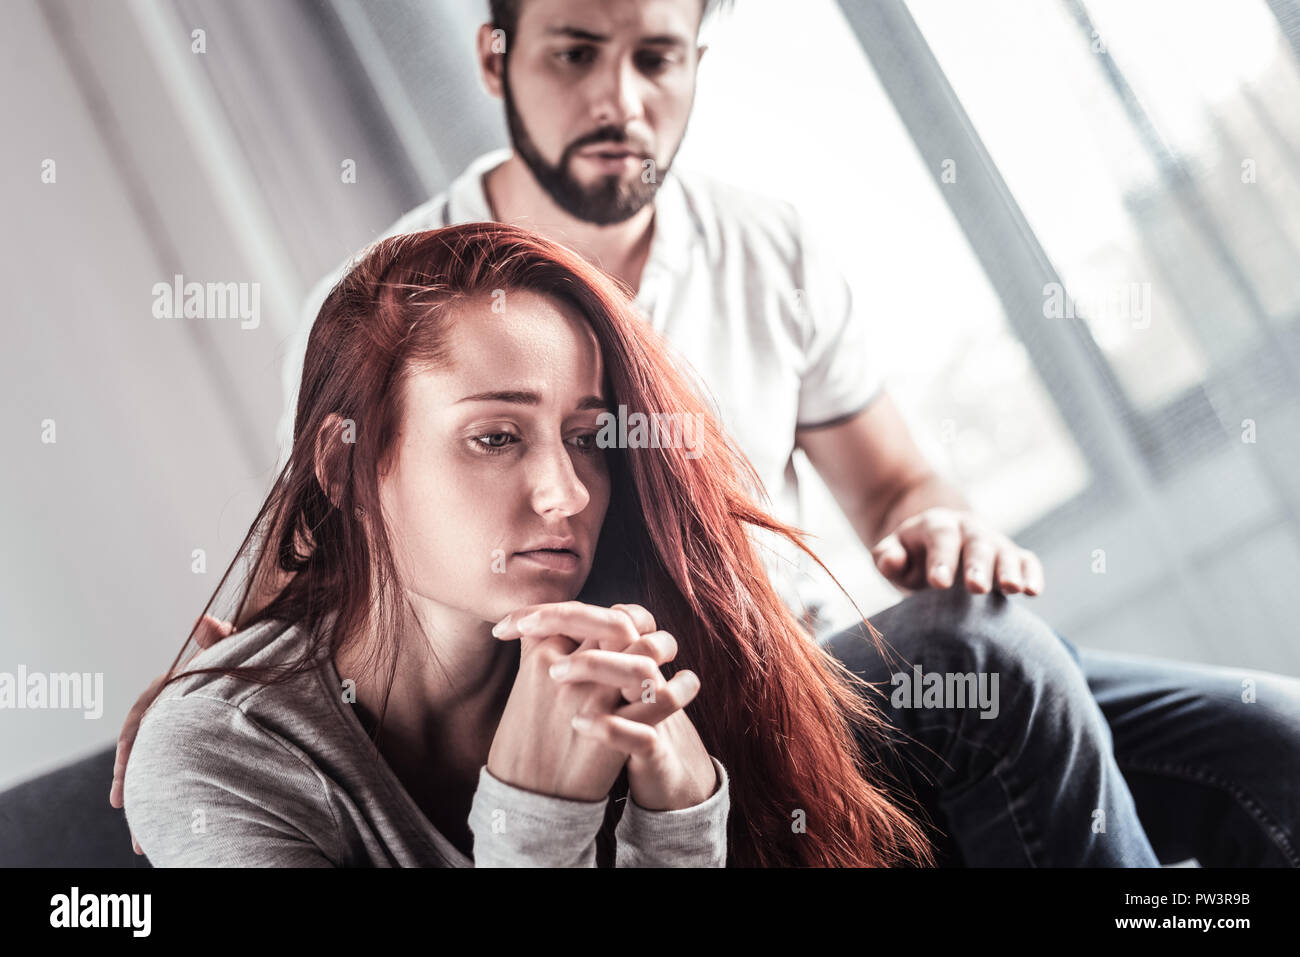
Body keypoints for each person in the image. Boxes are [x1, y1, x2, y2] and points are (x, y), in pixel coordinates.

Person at [114, 0, 1300, 866]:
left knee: (1260, 735)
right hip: (684, 689)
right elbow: (327, 550)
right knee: (987, 659)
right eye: (575, 54)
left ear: (695, 63)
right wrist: (201, 694)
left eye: (656, 59)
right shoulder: (392, 305)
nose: (619, 99)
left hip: (817, 661)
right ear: (496, 59)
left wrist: (934, 522)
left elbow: (892, 481)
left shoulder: (764, 243)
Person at [122, 222, 934, 867]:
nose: (569, 492)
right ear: (349, 463)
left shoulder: (650, 648)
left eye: (587, 438)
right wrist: (536, 826)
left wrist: (683, 826)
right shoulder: (223, 756)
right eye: (498, 436)